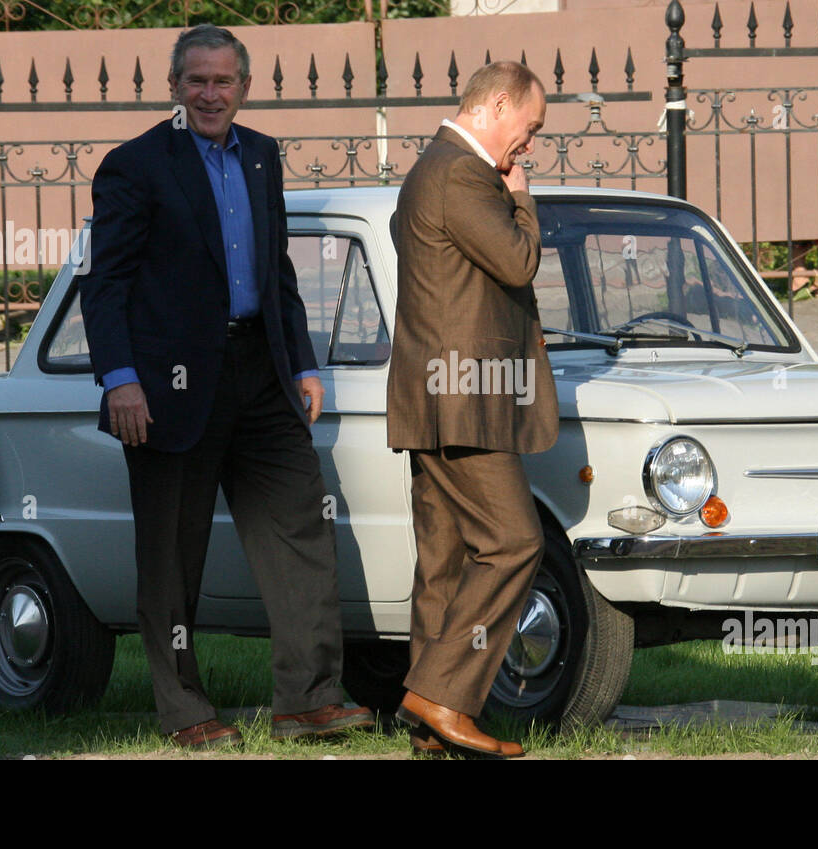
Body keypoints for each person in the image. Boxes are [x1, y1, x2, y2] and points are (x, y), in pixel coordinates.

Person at [77, 23, 371, 749]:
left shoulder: (264, 158)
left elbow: (279, 275)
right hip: (165, 391)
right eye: (197, 80)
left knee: (301, 533)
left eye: (224, 80)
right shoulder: (134, 166)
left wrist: (302, 363)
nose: (211, 93)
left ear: (245, 86)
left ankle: (308, 699)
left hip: (261, 379)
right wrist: (120, 380)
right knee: (172, 560)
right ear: (175, 86)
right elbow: (103, 284)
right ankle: (184, 709)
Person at [386, 61, 557, 758]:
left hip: (442, 395)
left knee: (446, 561)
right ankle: (443, 695)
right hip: (464, 398)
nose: (531, 145)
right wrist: (522, 199)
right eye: (531, 126)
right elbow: (517, 262)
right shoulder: (461, 173)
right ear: (495, 105)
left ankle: (429, 721)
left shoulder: (434, 169)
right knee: (516, 541)